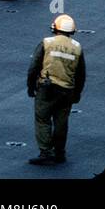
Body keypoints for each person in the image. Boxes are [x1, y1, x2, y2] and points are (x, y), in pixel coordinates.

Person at [26, 14, 86, 165]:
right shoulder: (77, 47)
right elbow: (81, 74)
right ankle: (59, 152)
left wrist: (31, 86)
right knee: (61, 121)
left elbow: (34, 67)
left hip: (47, 88)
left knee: (43, 118)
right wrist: (77, 93)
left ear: (55, 28)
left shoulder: (47, 43)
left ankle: (45, 152)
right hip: (67, 90)